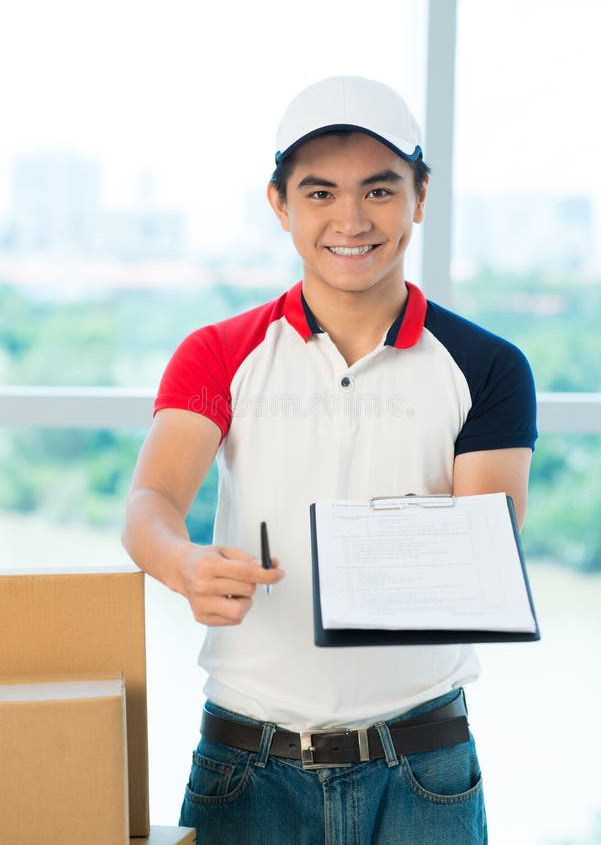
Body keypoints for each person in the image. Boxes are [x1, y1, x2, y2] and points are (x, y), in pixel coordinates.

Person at [122, 76, 537, 844]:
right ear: (280, 205)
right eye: (319, 194)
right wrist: (182, 564)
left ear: (419, 196)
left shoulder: (486, 366)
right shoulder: (219, 353)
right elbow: (150, 502)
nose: (350, 220)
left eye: (379, 191)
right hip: (245, 763)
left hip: (422, 766)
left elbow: (479, 546)